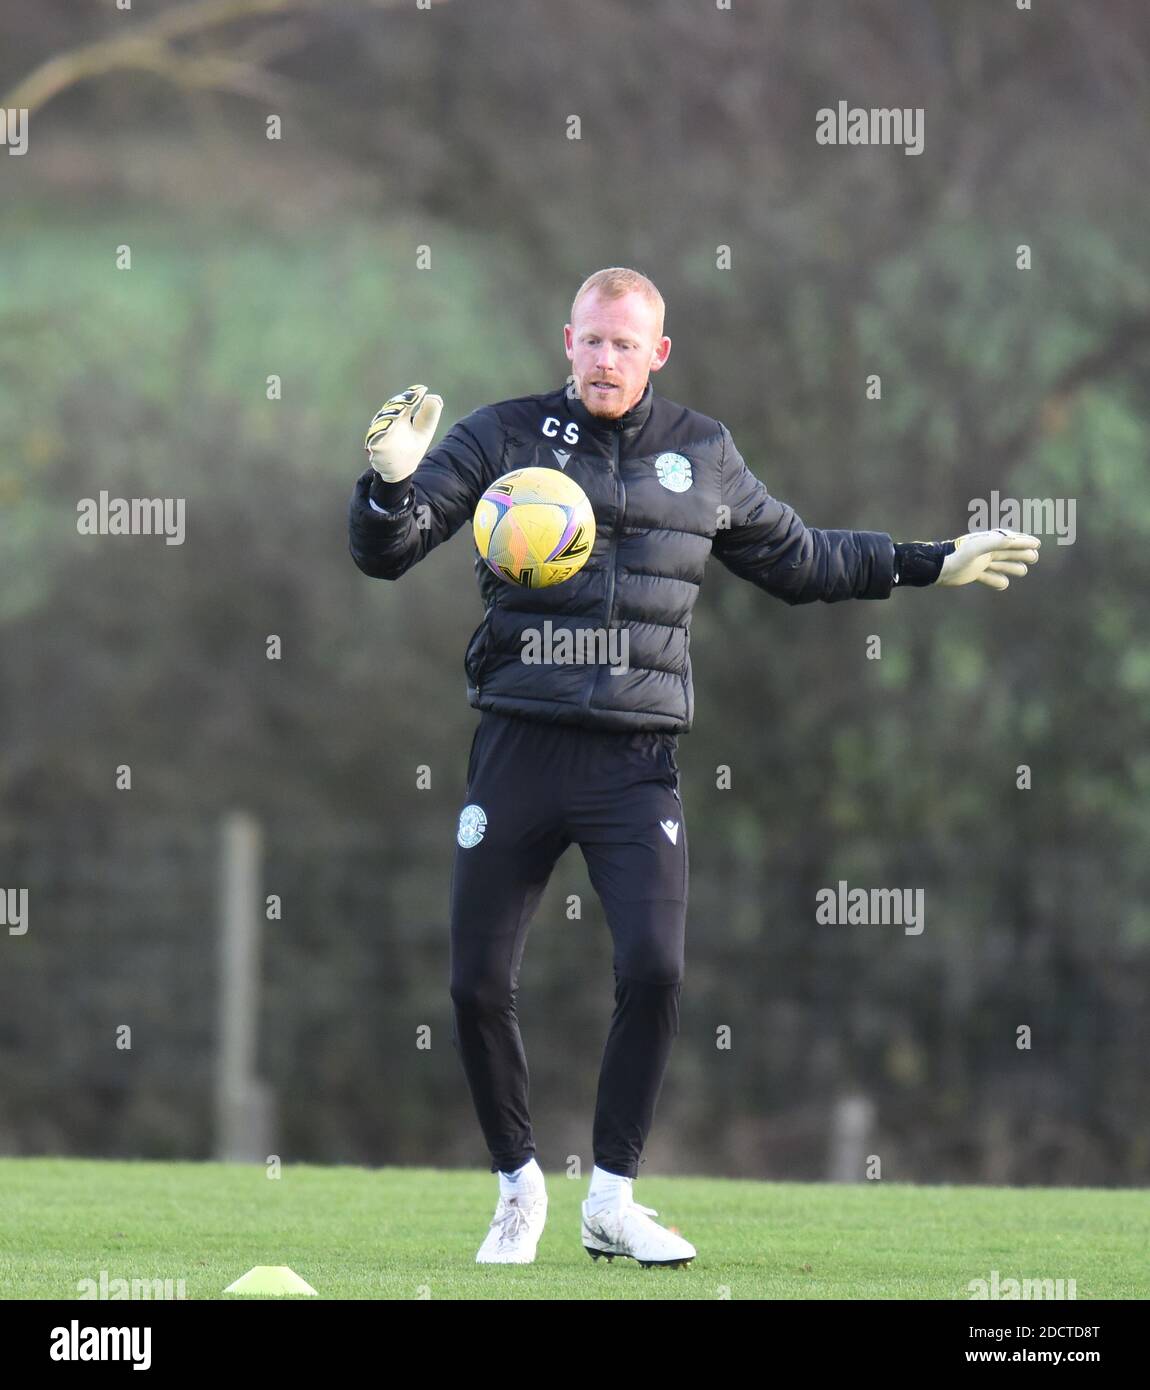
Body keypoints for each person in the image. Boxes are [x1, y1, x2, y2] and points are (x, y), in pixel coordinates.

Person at [347, 267, 1040, 1268]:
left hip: (636, 759)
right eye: (589, 340)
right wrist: (387, 487)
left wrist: (930, 560)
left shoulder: (701, 454)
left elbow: (799, 561)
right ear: (566, 341)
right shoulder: (502, 436)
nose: (603, 359)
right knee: (473, 980)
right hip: (518, 741)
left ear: (656, 353)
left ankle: (614, 1198)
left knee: (656, 966)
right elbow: (391, 551)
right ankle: (516, 1189)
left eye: (624, 345)